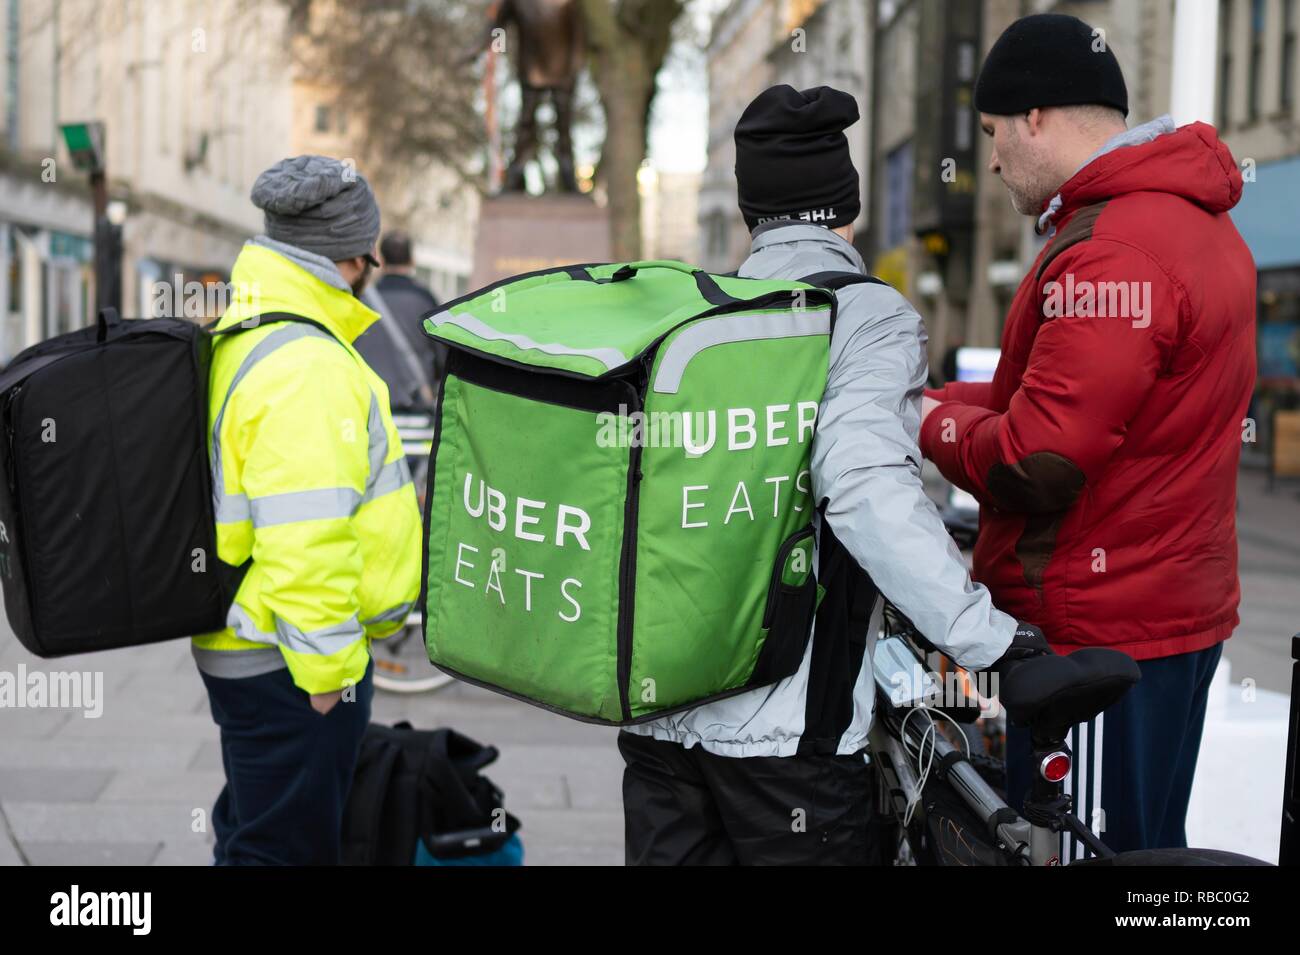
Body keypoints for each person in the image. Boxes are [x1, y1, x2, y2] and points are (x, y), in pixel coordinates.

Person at [618, 84, 1047, 866]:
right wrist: (986, 638)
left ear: (751, 214)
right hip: (790, 745)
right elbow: (860, 482)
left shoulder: (690, 322)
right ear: (846, 209)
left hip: (660, 726)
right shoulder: (866, 315)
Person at [919, 14, 1256, 855]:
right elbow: (1039, 396)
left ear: (1035, 116)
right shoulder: (1183, 220)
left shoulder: (1115, 247)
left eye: (994, 133)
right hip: (1164, 616)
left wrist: (927, 425)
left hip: (1097, 639)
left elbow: (1042, 455)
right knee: (1147, 853)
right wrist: (927, 397)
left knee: (1089, 854)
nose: (991, 158)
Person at [194, 155, 423, 865]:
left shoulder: (252, 332)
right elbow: (307, 534)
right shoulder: (307, 364)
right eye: (370, 255)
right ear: (349, 257)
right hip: (292, 663)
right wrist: (328, 678)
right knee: (282, 852)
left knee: (255, 836)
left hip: (258, 647)